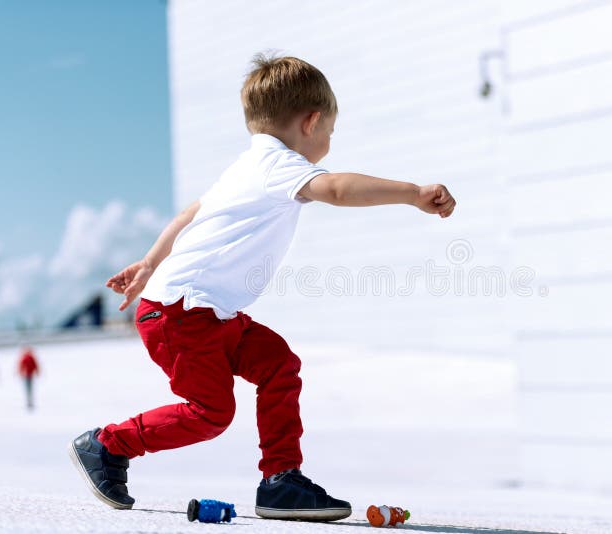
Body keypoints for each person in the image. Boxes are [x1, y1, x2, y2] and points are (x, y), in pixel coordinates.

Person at [68, 54, 456, 519]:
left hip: (204, 311)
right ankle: (108, 444)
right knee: (211, 413)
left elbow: (191, 213)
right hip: (182, 314)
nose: (327, 144)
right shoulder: (281, 166)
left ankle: (280, 481)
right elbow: (335, 189)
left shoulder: (246, 166)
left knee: (278, 364)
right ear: (311, 122)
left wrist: (150, 263)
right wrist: (413, 194)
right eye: (329, 133)